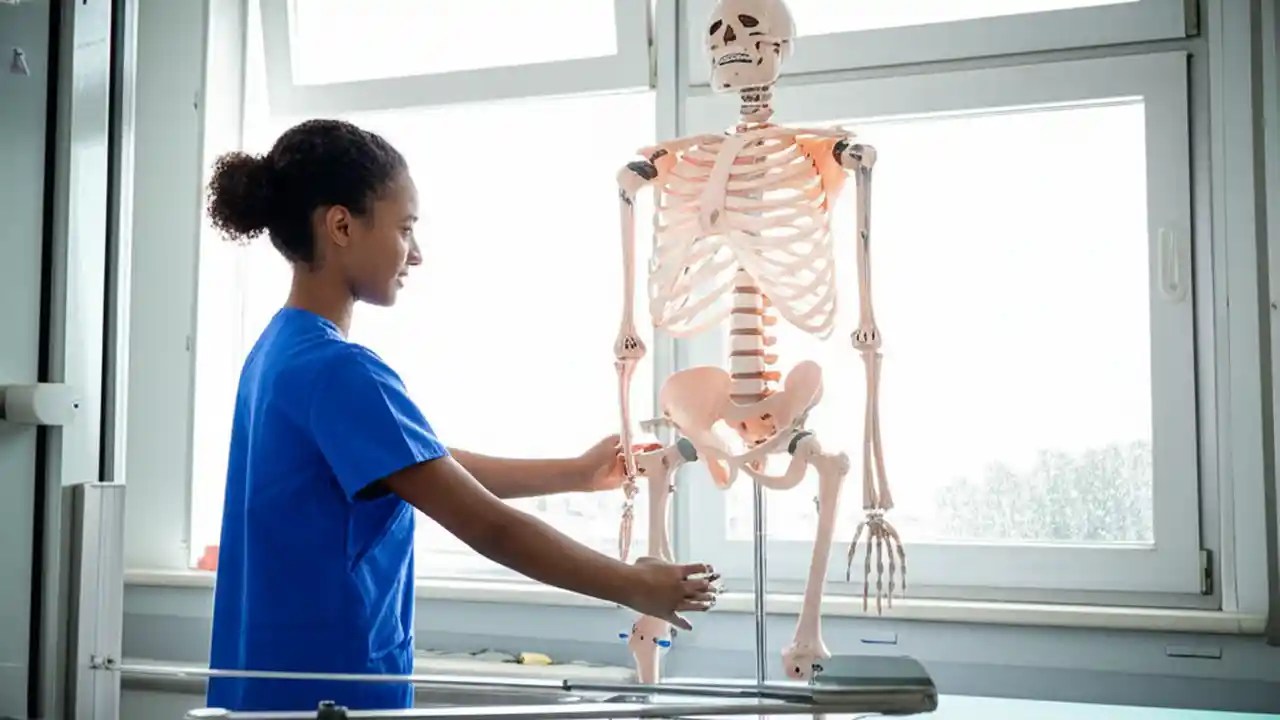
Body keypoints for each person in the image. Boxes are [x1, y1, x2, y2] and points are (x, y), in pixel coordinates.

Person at [201, 118, 718, 712]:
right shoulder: (339, 371)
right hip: (330, 692)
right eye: (404, 228)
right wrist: (632, 583)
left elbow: (420, 466)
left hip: (265, 685)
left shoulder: (277, 351)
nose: (415, 254)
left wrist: (576, 473)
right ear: (341, 225)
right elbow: (485, 524)